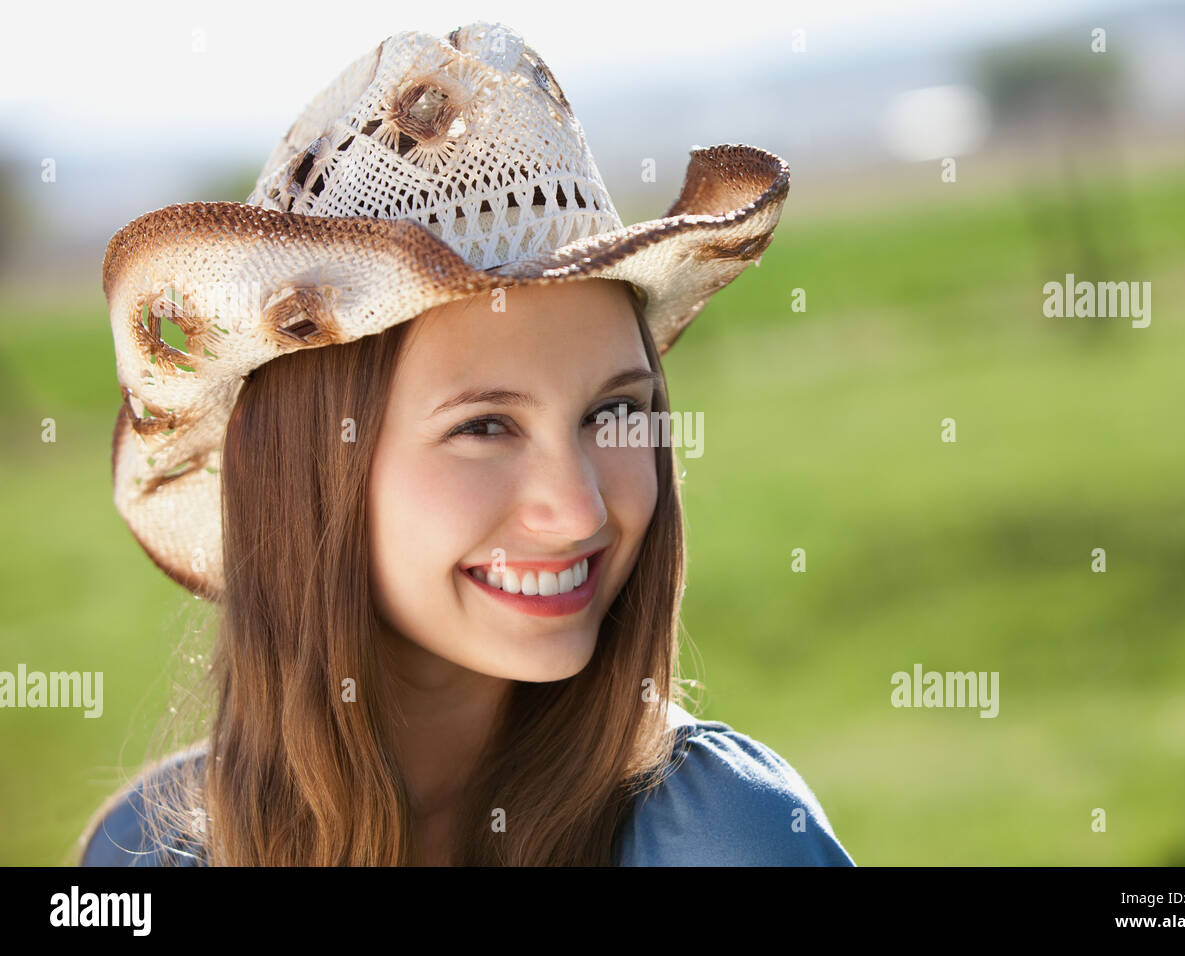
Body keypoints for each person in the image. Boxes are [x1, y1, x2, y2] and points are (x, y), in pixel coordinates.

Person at [77, 21, 854, 866]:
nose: (578, 511)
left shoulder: (721, 838)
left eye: (613, 414)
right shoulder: (142, 854)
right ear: (306, 473)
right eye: (485, 426)